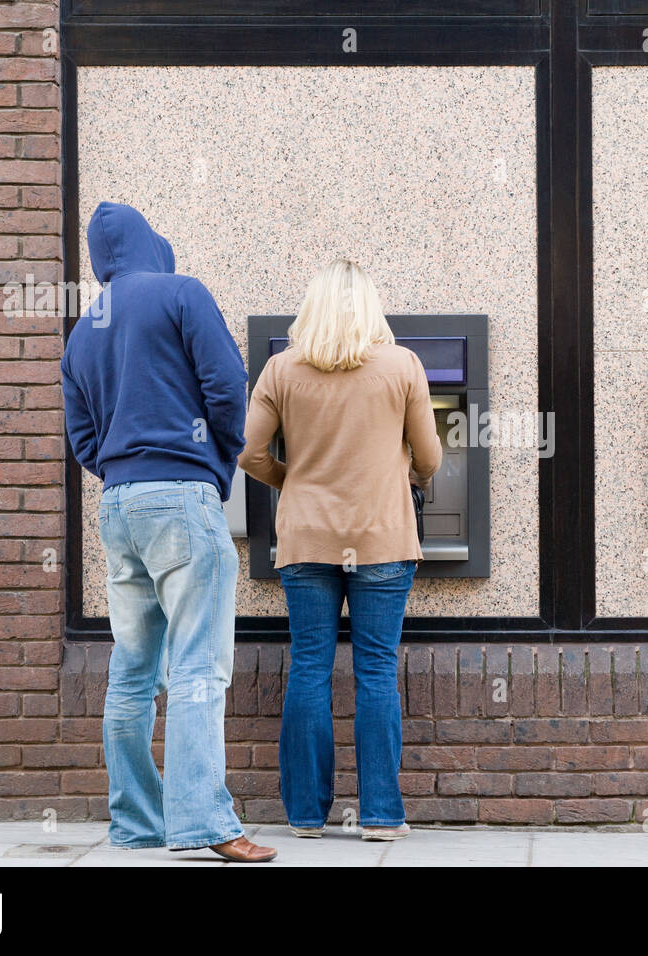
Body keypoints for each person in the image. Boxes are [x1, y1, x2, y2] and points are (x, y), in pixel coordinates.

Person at [61, 201, 276, 863]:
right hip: (180, 498)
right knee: (197, 666)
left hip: (118, 506)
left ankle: (134, 822)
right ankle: (205, 824)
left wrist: (124, 470)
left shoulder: (81, 330)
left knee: (130, 668)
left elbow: (83, 440)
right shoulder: (182, 293)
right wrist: (214, 462)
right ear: (153, 243)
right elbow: (227, 385)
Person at [238, 259, 442, 841]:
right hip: (381, 538)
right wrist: (404, 473)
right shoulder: (402, 365)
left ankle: (305, 816)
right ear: (371, 307)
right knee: (376, 670)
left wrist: (294, 480)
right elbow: (428, 458)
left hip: (307, 538)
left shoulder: (281, 369)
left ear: (314, 307)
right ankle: (380, 815)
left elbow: (248, 452)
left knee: (309, 666)